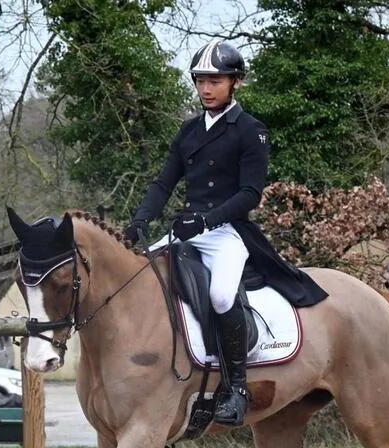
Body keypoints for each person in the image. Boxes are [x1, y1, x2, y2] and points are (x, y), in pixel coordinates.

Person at [123, 39, 327, 426]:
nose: (205, 88)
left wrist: (206, 221)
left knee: (219, 294)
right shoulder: (188, 132)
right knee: (141, 277)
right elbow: (163, 183)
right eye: (200, 80)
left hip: (228, 231)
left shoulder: (250, 130)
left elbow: (250, 193)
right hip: (188, 229)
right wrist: (139, 221)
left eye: (214, 81)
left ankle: (235, 388)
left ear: (236, 83)